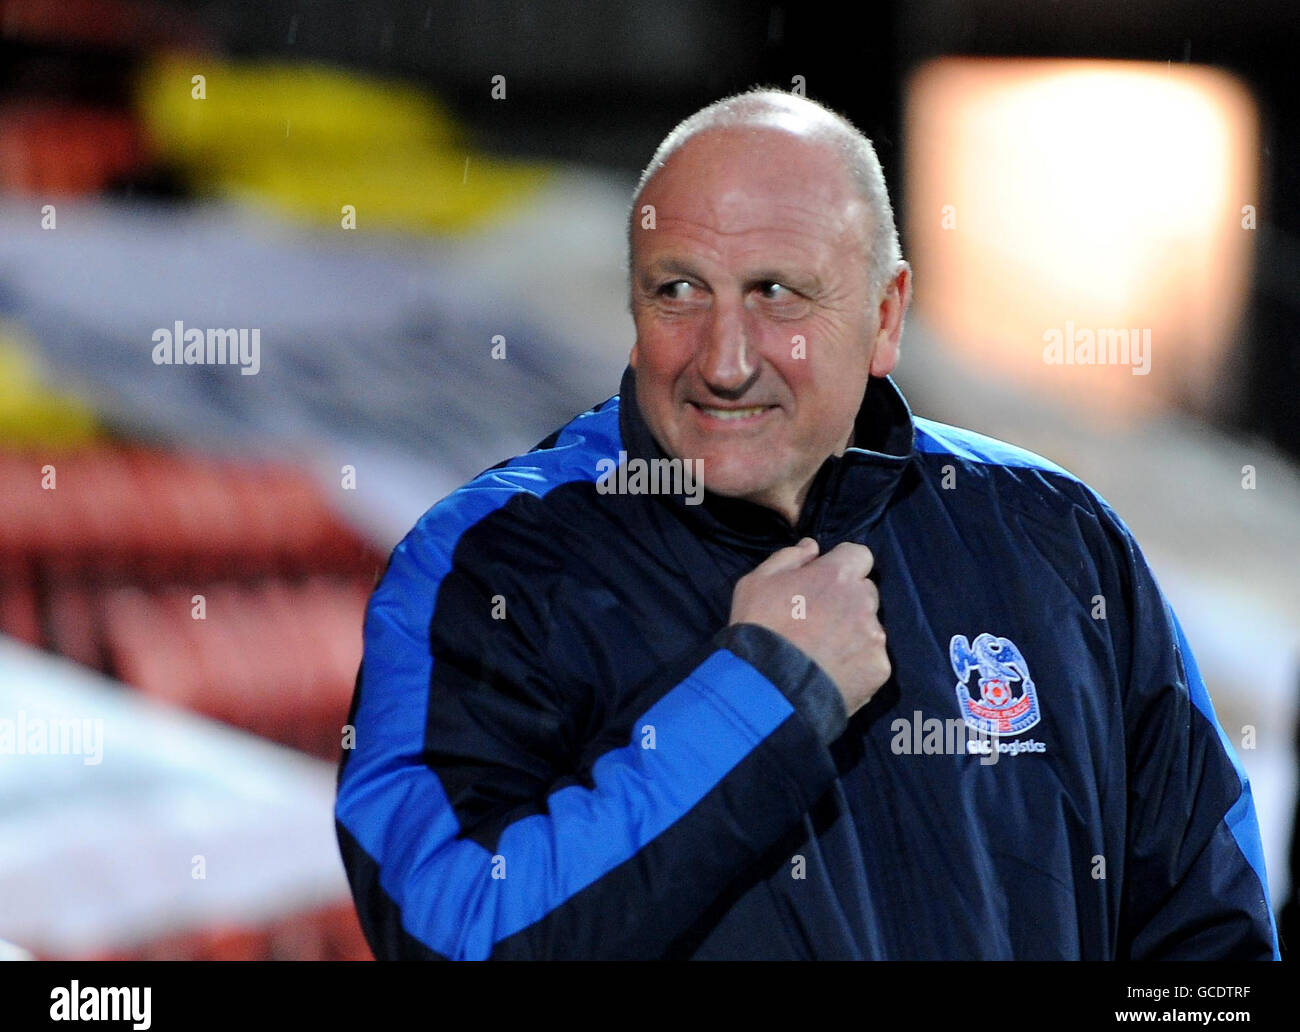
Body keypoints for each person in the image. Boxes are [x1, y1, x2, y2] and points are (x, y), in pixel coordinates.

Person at [334, 89, 1279, 960]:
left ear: (885, 315)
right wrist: (764, 697)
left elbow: (1208, 945)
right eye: (679, 291)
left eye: (777, 294)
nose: (726, 359)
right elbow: (448, 928)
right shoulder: (490, 564)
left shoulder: (1055, 538)